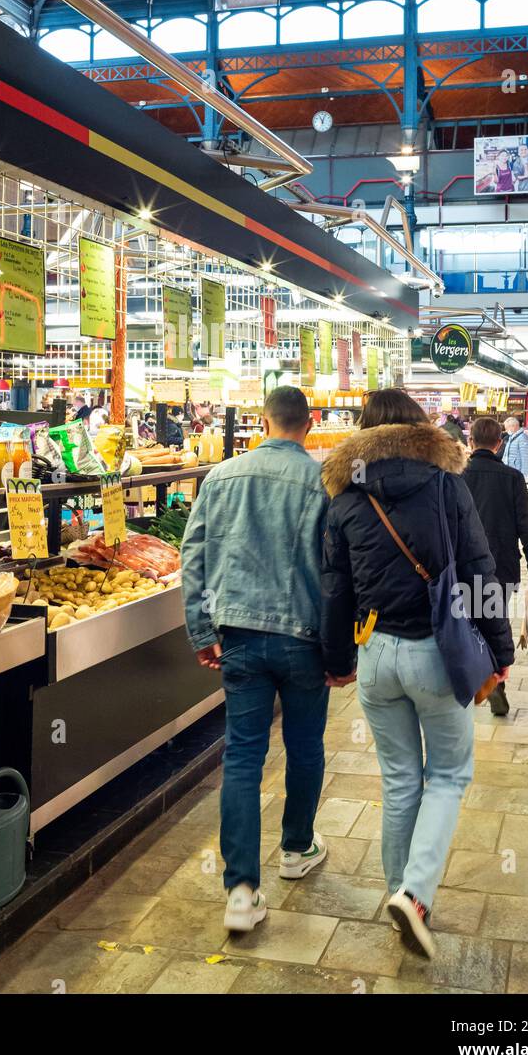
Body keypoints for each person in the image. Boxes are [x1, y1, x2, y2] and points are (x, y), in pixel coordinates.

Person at [321, 389, 513, 961]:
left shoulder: (344, 496)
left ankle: (397, 893)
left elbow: (335, 588)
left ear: (363, 431)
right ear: (420, 429)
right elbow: (481, 568)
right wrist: (499, 651)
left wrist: (336, 661)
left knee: (401, 781)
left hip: (376, 651)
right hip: (437, 651)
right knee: (449, 775)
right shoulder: (446, 485)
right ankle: (415, 894)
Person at [181, 387, 330, 933]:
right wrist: (341, 649)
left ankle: (241, 891)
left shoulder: (220, 478)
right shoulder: (323, 483)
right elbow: (337, 573)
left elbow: (192, 557)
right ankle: (296, 849)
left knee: (242, 756)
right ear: (308, 423)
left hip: (238, 636)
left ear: (261, 422)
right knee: (305, 744)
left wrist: (201, 630)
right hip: (304, 639)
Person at [463, 416, 528, 717]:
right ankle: (495, 679)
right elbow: (526, 525)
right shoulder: (512, 478)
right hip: (501, 566)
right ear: (500, 443)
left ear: (471, 442)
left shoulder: (456, 477)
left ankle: (474, 678)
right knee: (495, 619)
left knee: (469, 622)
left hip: (464, 566)